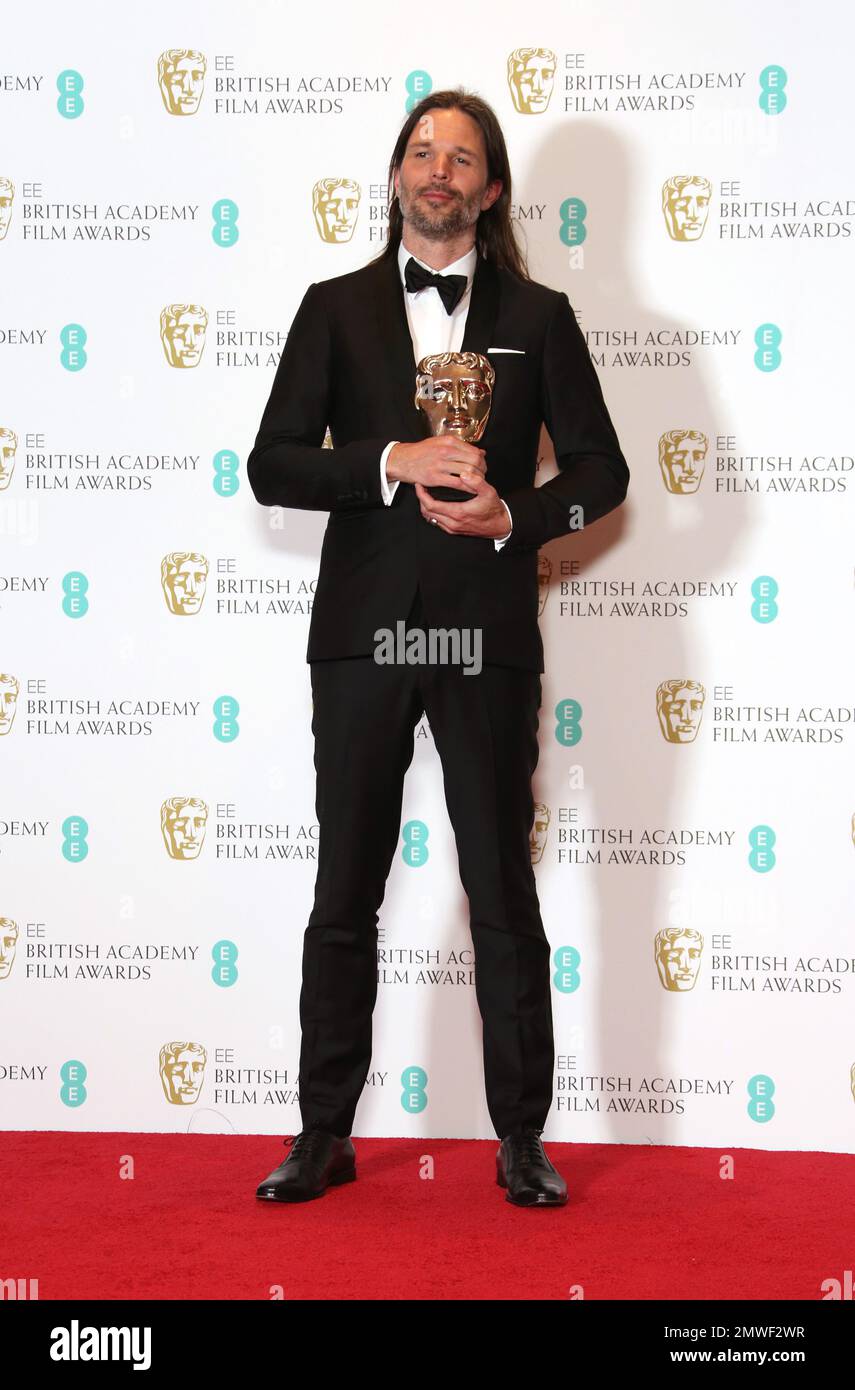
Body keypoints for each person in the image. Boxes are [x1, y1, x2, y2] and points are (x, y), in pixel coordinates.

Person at [247, 87, 629, 1207]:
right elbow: (272, 462)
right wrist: (388, 461)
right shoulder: (333, 306)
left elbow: (602, 471)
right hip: (363, 629)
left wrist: (519, 518)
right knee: (343, 889)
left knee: (502, 887)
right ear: (397, 173)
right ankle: (324, 1133)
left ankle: (521, 1137)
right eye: (422, 151)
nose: (439, 170)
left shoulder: (544, 315)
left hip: (487, 629)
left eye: (462, 156)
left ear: (491, 188)